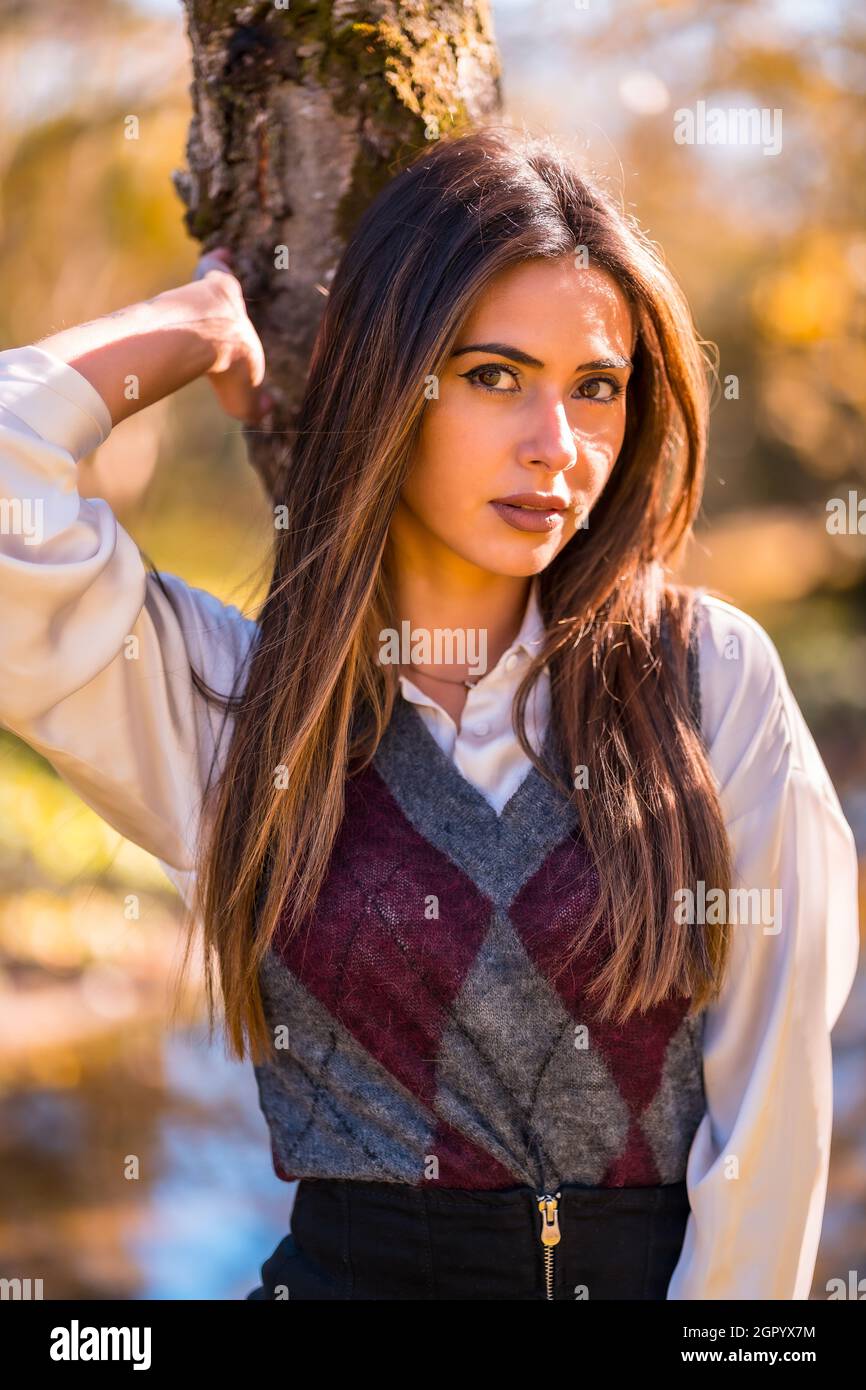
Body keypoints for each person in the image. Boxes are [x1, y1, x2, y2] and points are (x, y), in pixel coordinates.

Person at [0, 125, 859, 1301]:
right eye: (492, 375)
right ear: (387, 383)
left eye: (594, 388)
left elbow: (773, 1126)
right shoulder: (239, 709)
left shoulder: (707, 677)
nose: (555, 447)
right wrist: (186, 331)